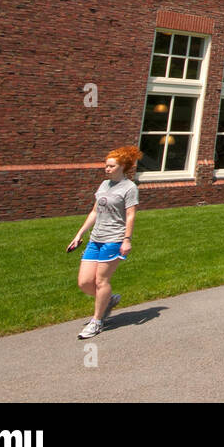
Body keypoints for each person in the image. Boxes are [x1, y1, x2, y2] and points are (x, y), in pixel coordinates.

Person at [66, 145, 141, 339]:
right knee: (84, 282)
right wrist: (79, 234)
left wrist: (127, 240)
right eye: (106, 166)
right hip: (96, 238)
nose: (106, 169)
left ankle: (97, 321)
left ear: (123, 166)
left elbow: (131, 216)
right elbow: (94, 212)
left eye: (111, 166)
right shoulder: (104, 185)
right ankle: (107, 300)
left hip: (114, 239)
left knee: (101, 281)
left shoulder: (129, 188)